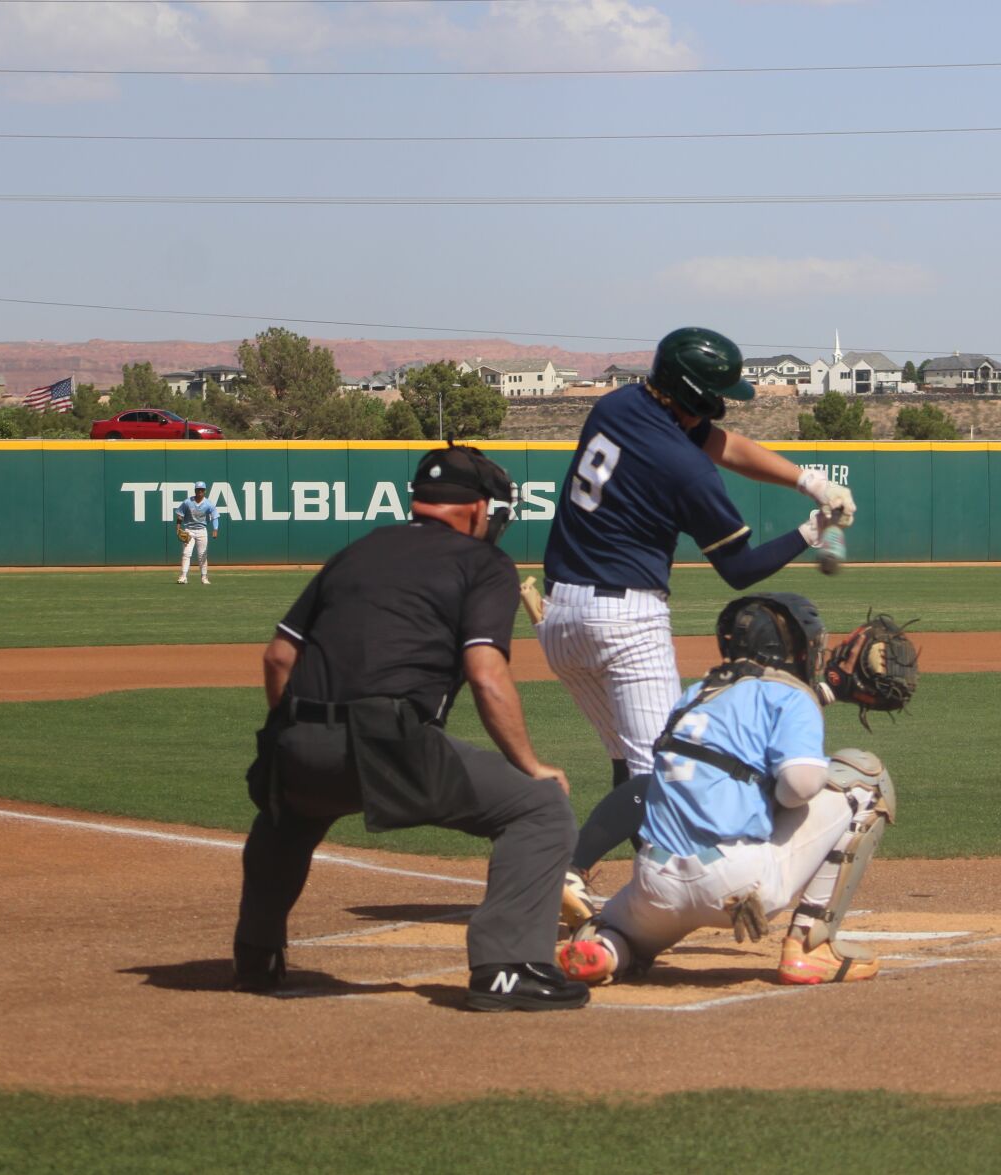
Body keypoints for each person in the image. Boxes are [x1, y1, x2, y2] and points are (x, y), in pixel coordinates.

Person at [233, 445, 589, 1012]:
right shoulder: (482, 564)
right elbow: (486, 673)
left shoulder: (357, 551)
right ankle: (507, 968)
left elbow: (279, 658)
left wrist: (288, 740)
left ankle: (255, 955)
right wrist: (532, 765)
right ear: (479, 510)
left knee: (289, 813)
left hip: (298, 736)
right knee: (540, 808)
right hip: (387, 741)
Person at [538, 326, 856, 914]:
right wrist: (810, 533)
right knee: (670, 766)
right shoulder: (684, 468)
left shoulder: (618, 404)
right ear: (699, 395)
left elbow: (726, 444)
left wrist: (805, 479)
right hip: (623, 621)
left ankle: (638, 888)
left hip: (560, 619)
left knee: (632, 761)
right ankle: (571, 869)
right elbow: (738, 569)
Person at [555, 593, 895, 988]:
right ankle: (811, 946)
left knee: (625, 931)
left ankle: (607, 949)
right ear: (793, 650)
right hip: (736, 884)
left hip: (656, 881)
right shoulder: (789, 696)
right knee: (865, 777)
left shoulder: (696, 694)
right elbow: (799, 786)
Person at [175, 481, 219, 584]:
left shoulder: (208, 504)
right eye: (198, 489)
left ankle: (204, 577)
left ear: (205, 491)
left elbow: (215, 516)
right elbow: (180, 515)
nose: (200, 491)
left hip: (201, 531)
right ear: (195, 490)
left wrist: (215, 529)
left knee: (202, 555)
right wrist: (178, 528)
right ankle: (183, 576)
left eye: (202, 489)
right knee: (186, 553)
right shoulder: (187, 502)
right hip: (189, 531)